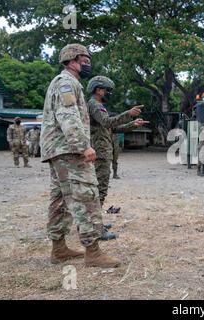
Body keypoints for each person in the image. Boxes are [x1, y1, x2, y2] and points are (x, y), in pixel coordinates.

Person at [40, 43, 120, 268]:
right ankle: (93, 252)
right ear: (71, 60)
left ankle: (59, 248)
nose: (88, 64)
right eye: (85, 60)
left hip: (58, 150)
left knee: (60, 199)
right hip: (69, 150)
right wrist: (84, 145)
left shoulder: (64, 82)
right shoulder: (67, 83)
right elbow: (68, 116)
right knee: (86, 196)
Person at [86, 76, 147, 211]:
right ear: (98, 90)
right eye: (107, 90)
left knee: (100, 188)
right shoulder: (94, 104)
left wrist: (133, 124)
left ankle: (95, 222)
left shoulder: (97, 105)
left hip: (102, 150)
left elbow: (112, 129)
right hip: (100, 151)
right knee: (100, 188)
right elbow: (108, 122)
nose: (109, 93)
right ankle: (94, 225)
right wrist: (128, 113)